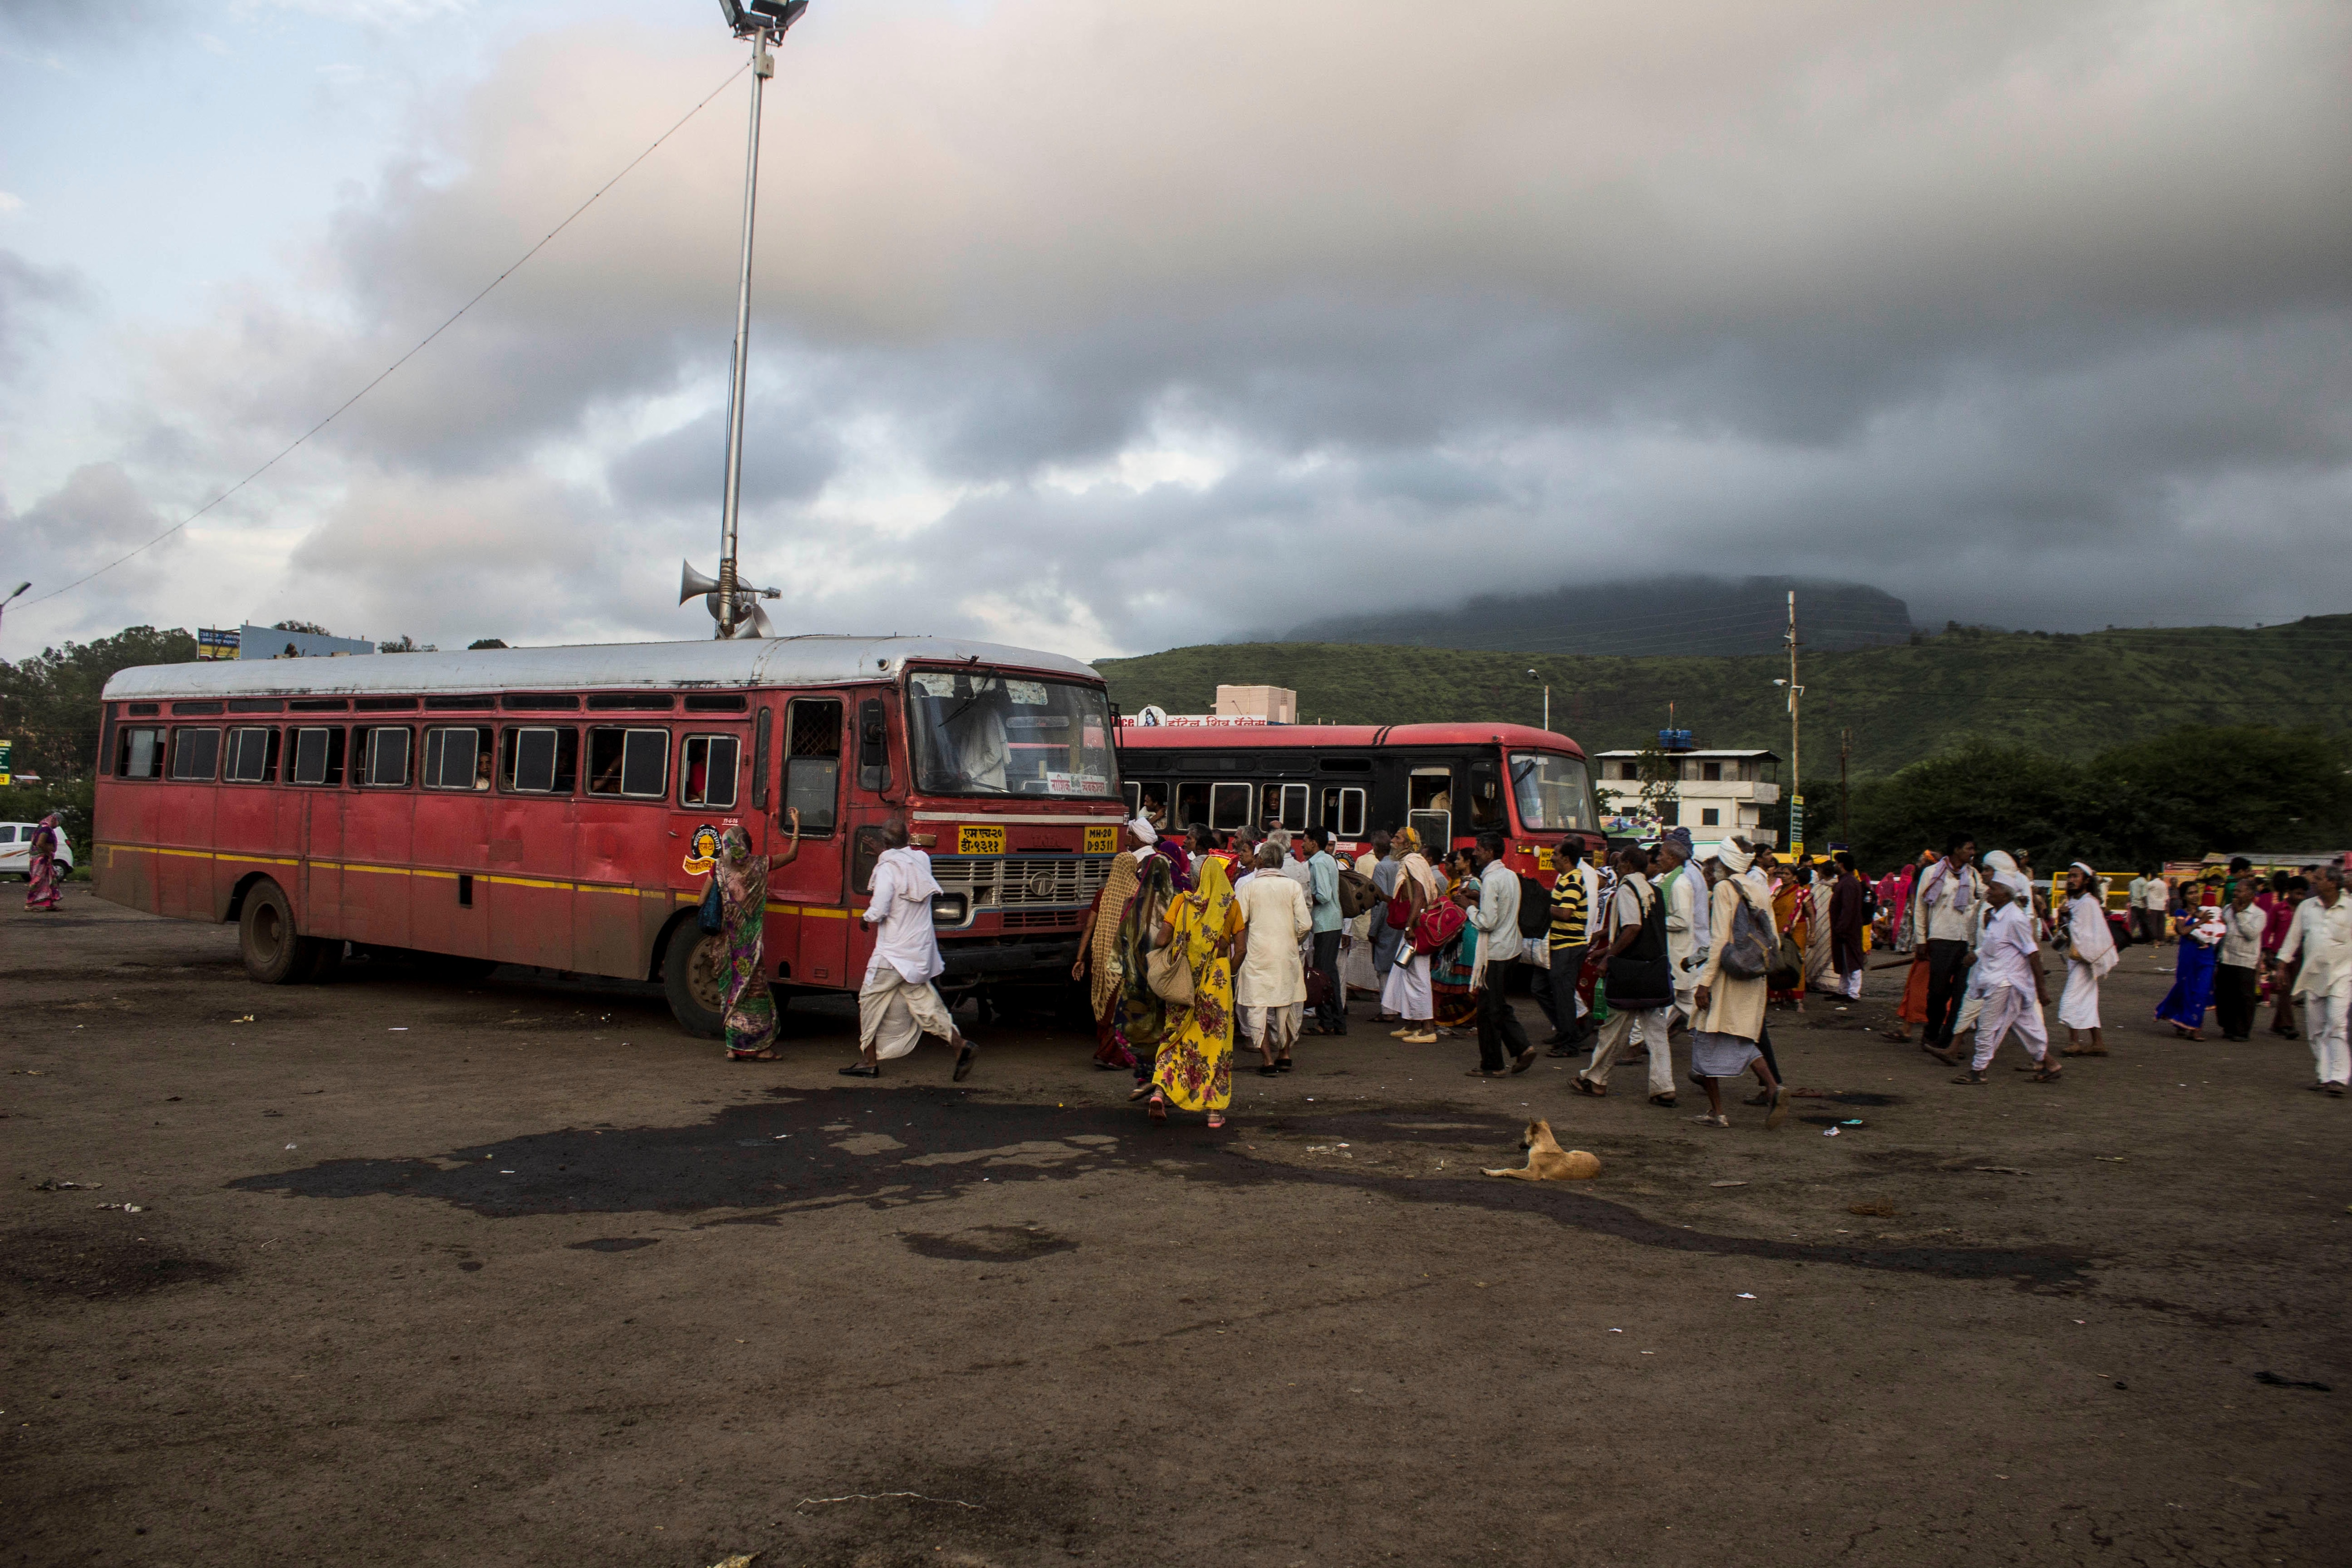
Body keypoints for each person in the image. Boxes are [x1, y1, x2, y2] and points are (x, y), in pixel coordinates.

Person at [842, 816, 977, 1079]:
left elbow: (879, 908)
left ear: (885, 842)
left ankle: (869, 1061)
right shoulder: (922, 860)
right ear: (906, 839)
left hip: (891, 955)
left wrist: (865, 918)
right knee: (926, 1006)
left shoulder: (887, 870)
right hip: (918, 954)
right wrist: (885, 854)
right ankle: (961, 1046)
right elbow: (905, 861)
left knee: (869, 1001)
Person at [1687, 836, 1790, 1128]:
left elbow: (1720, 940)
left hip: (1727, 976)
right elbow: (1773, 938)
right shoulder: (1759, 887)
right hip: (1754, 976)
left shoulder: (1724, 888)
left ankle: (1717, 1112)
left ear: (1724, 862)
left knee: (1705, 1038)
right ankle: (1773, 1087)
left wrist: (1705, 983)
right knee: (1742, 1036)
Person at [1572, 845, 1677, 1104]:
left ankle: (1596, 1079)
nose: (1617, 868)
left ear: (1628, 865)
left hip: (1630, 972)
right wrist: (1608, 948)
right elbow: (1642, 933)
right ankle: (1664, 1087)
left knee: (1614, 1029)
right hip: (1652, 970)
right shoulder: (1654, 891)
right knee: (1656, 1032)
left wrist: (1609, 957)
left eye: (1619, 864)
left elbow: (1632, 929)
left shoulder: (1628, 890)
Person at [1145, 855, 1244, 1127]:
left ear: (1196, 878)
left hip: (1184, 982)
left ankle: (1159, 1091)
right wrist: (1229, 972)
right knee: (1215, 1046)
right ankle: (1213, 1113)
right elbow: (1242, 949)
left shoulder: (1182, 902)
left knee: (1175, 1037)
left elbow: (1162, 939)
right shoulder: (1230, 906)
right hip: (1217, 986)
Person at [1939, 878, 2058, 1084]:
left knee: (1987, 1026)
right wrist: (1976, 955)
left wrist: (2042, 990)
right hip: (2001, 980)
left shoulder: (2015, 919)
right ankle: (2050, 1064)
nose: (1988, 891)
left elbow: (2033, 954)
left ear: (2006, 893)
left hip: (2006, 982)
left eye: (1993, 888)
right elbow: (1995, 948)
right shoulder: (1996, 917)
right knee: (2022, 1026)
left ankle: (1979, 1071)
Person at [713, 813, 803, 1060]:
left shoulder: (719, 867)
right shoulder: (758, 865)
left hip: (727, 944)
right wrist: (796, 826)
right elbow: (792, 856)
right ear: (747, 845)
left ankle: (733, 1047)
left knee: (731, 990)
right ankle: (760, 1048)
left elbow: (702, 901)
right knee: (755, 991)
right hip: (749, 948)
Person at [1073, 819, 1161, 1072]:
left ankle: (1108, 1050)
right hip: (1128, 959)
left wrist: (1080, 958)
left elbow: (1089, 927)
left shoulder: (1103, 893)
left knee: (1104, 1001)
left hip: (1100, 958)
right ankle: (1113, 1055)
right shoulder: (1138, 893)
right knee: (1122, 1007)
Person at [1233, 843, 1313, 1074]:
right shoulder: (1293, 887)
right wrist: (1293, 939)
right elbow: (1306, 924)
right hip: (1287, 955)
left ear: (1260, 861)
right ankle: (1285, 1055)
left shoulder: (1250, 888)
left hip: (1258, 955)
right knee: (1285, 1006)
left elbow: (1240, 922)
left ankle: (1268, 1061)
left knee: (1258, 1007)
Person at [2272, 865, 2350, 1095]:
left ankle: (2339, 1077)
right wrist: (2281, 966)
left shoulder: (2350, 907)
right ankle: (2324, 1075)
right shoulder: (2307, 907)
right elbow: (2293, 938)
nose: (2313, 882)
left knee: (2337, 1023)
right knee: (2316, 1030)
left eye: (2318, 879)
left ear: (2333, 883)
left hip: (2343, 974)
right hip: (2314, 974)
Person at [1465, 831, 1535, 1077]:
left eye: (1478, 849)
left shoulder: (1493, 879)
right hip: (1511, 948)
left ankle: (1494, 1064)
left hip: (1495, 952)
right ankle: (1521, 1048)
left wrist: (1470, 909)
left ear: (1490, 852)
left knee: (1488, 1011)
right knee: (1496, 1005)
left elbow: (1487, 922)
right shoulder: (1509, 876)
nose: (1474, 853)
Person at [1912, 835, 1983, 1051]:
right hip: (1941, 938)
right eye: (1969, 848)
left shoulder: (1974, 875)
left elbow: (1984, 898)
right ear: (1956, 849)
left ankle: (1947, 1041)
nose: (1972, 853)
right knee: (1938, 992)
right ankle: (1932, 1031)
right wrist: (1921, 940)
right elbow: (1921, 907)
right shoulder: (1932, 873)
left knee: (1962, 994)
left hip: (1967, 942)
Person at [1378, 828, 1444, 1043]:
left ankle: (1428, 1028)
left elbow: (1420, 894)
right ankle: (1413, 1022)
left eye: (1397, 838)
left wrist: (1410, 926)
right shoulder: (1411, 860)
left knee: (1418, 976)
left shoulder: (1412, 861)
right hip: (1416, 924)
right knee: (1404, 973)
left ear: (1408, 844)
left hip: (1417, 926)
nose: (1392, 841)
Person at [1539, 840, 1598, 1054]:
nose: (1552, 857)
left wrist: (1542, 904)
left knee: (1563, 994)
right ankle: (1567, 1035)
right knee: (1551, 991)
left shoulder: (1573, 879)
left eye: (1555, 854)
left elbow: (1565, 913)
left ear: (1566, 858)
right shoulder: (1566, 878)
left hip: (1569, 945)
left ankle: (1570, 1042)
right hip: (1563, 945)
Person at [2054, 862, 2118, 1057]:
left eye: (2076, 876)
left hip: (2087, 959)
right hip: (2079, 958)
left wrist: (2069, 917)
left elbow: (2088, 934)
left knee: (2071, 999)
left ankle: (2074, 1043)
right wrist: (2064, 917)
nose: (2071, 880)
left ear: (2087, 880)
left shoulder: (2089, 903)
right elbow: (2071, 930)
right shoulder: (2075, 902)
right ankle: (2098, 1043)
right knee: (2088, 1001)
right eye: (2070, 876)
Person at [1657, 828, 1711, 1039]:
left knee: (1669, 1002)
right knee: (1686, 1002)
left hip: (1685, 946)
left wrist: (1654, 923)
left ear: (1673, 857)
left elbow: (1682, 919)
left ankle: (1638, 1043)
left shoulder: (1682, 879)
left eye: (1662, 854)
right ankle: (1710, 1036)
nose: (1658, 858)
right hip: (1687, 945)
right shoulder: (1683, 874)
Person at [2156, 899, 2225, 1042]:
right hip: (2189, 955)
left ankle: (2195, 1029)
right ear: (2184, 896)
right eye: (2190, 893)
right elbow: (2182, 931)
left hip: (2207, 955)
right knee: (2185, 988)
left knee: (2201, 991)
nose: (2194, 896)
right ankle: (2182, 1023)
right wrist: (2201, 922)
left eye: (2196, 892)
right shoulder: (2181, 913)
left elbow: (2219, 928)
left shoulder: (2206, 910)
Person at [1303, 826, 1347, 1036]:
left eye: (1305, 840)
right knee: (1330, 973)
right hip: (1333, 922)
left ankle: (1327, 1021)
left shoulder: (1319, 863)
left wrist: (1304, 897)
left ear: (1314, 843)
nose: (1302, 844)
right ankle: (1337, 1021)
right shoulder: (1327, 860)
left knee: (1322, 975)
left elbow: (1323, 896)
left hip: (1324, 923)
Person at [2214, 876, 2266, 1043]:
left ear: (2251, 894)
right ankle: (2228, 1027)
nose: (2235, 893)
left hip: (2246, 962)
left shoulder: (2259, 915)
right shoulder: (2228, 909)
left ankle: (2242, 1031)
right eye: (2235, 890)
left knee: (2244, 998)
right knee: (2224, 996)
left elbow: (2251, 935)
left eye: (2239, 891)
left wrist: (2241, 915)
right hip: (2227, 959)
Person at [2268, 875, 2312, 1039]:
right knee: (2285, 989)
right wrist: (2267, 952)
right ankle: (2289, 1025)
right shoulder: (2278, 908)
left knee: (2290, 991)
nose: (2300, 898)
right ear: (2289, 892)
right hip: (2281, 956)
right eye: (2298, 894)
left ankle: (2277, 1024)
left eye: (2303, 895)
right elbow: (2268, 930)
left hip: (2300, 955)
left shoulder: (2306, 911)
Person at [1829, 852, 1868, 1001]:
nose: (1834, 866)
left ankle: (1853, 993)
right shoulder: (1846, 882)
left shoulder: (1849, 883)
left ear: (1842, 865)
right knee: (1844, 960)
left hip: (1847, 930)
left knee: (1852, 960)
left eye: (1836, 863)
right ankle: (1844, 990)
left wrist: (1841, 928)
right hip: (1843, 929)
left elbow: (1848, 909)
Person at [23, 811, 66, 912]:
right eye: (58, 822)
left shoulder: (43, 827)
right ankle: (29, 904)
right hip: (41, 858)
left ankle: (49, 904)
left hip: (43, 858)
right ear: (55, 820)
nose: (58, 824)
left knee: (50, 880)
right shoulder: (46, 828)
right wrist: (48, 853)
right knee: (38, 880)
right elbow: (40, 844)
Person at [2138, 869, 2173, 944]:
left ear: (2151, 876)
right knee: (2161, 924)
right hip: (2162, 906)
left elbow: (2143, 894)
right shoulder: (2164, 884)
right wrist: (2167, 907)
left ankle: (2155, 940)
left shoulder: (2150, 884)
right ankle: (2162, 940)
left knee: (2153, 924)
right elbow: (2167, 897)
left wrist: (2146, 905)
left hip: (2153, 906)